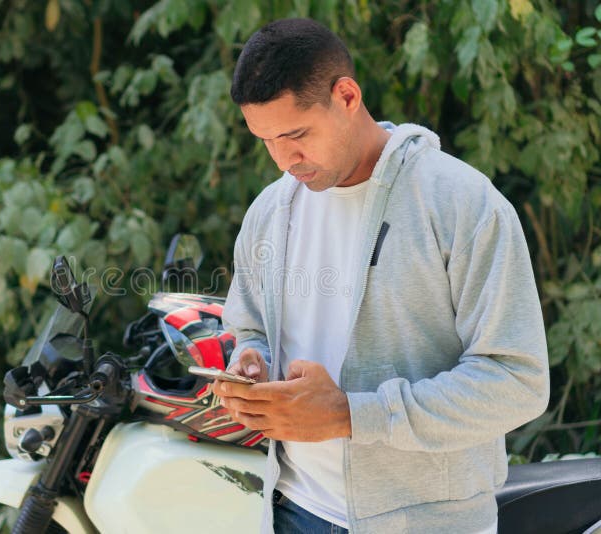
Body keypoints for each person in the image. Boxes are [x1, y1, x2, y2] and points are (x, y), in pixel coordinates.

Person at [212, 18, 549, 534]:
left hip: (429, 523)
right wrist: (250, 359)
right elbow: (248, 323)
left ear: (347, 96)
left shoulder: (461, 203)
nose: (284, 158)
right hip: (290, 510)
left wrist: (352, 414)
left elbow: (518, 382)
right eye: (267, 140)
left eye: (297, 134)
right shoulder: (270, 211)